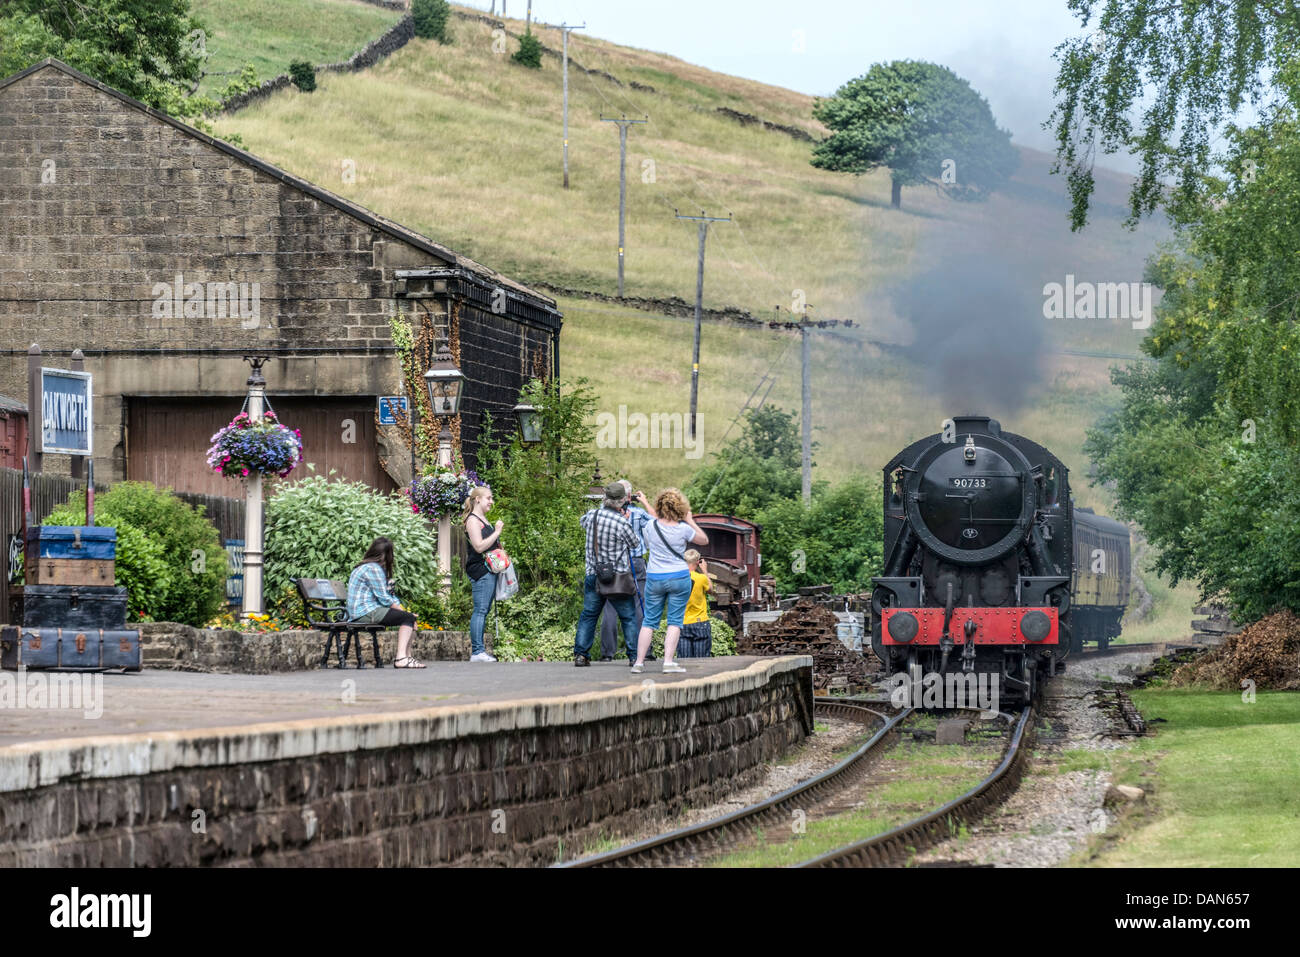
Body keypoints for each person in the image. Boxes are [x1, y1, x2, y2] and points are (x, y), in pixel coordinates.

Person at [631, 488, 708, 674]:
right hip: (679, 577)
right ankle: (667, 662)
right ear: (680, 508)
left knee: (649, 621)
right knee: (674, 621)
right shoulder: (683, 529)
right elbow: (704, 540)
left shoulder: (650, 526)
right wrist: (690, 520)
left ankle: (639, 663)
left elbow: (649, 542)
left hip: (655, 577)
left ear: (659, 506)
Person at [574, 483, 642, 667]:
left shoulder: (591, 515)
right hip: (617, 578)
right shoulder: (621, 522)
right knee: (627, 617)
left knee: (589, 615)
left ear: (605, 499)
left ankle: (581, 655)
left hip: (593, 573)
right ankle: (634, 656)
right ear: (622, 501)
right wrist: (625, 518)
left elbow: (582, 522)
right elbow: (635, 544)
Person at [599, 479, 655, 662]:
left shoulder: (604, 515)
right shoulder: (638, 513)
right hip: (636, 562)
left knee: (610, 606)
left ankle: (607, 653)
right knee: (639, 604)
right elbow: (657, 523)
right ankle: (644, 652)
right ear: (629, 496)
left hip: (611, 563)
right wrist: (644, 501)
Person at [347, 536, 422, 668]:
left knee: (408, 617)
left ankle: (407, 657)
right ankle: (401, 658)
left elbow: (389, 596)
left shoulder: (366, 566)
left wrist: (405, 613)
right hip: (365, 612)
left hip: (363, 612)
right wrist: (406, 614)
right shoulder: (373, 568)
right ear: (387, 555)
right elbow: (384, 598)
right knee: (407, 618)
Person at [463, 485, 502, 663]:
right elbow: (478, 546)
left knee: (483, 610)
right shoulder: (472, 520)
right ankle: (477, 651)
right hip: (480, 570)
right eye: (489, 498)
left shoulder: (483, 519)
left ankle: (479, 651)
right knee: (480, 610)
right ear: (477, 499)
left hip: (490, 569)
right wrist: (497, 532)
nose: (491, 502)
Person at [678, 549, 713, 658]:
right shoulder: (701, 578)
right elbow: (711, 589)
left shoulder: (678, 578)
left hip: (682, 622)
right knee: (701, 661)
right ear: (698, 562)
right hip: (700, 622)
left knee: (684, 661)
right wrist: (705, 570)